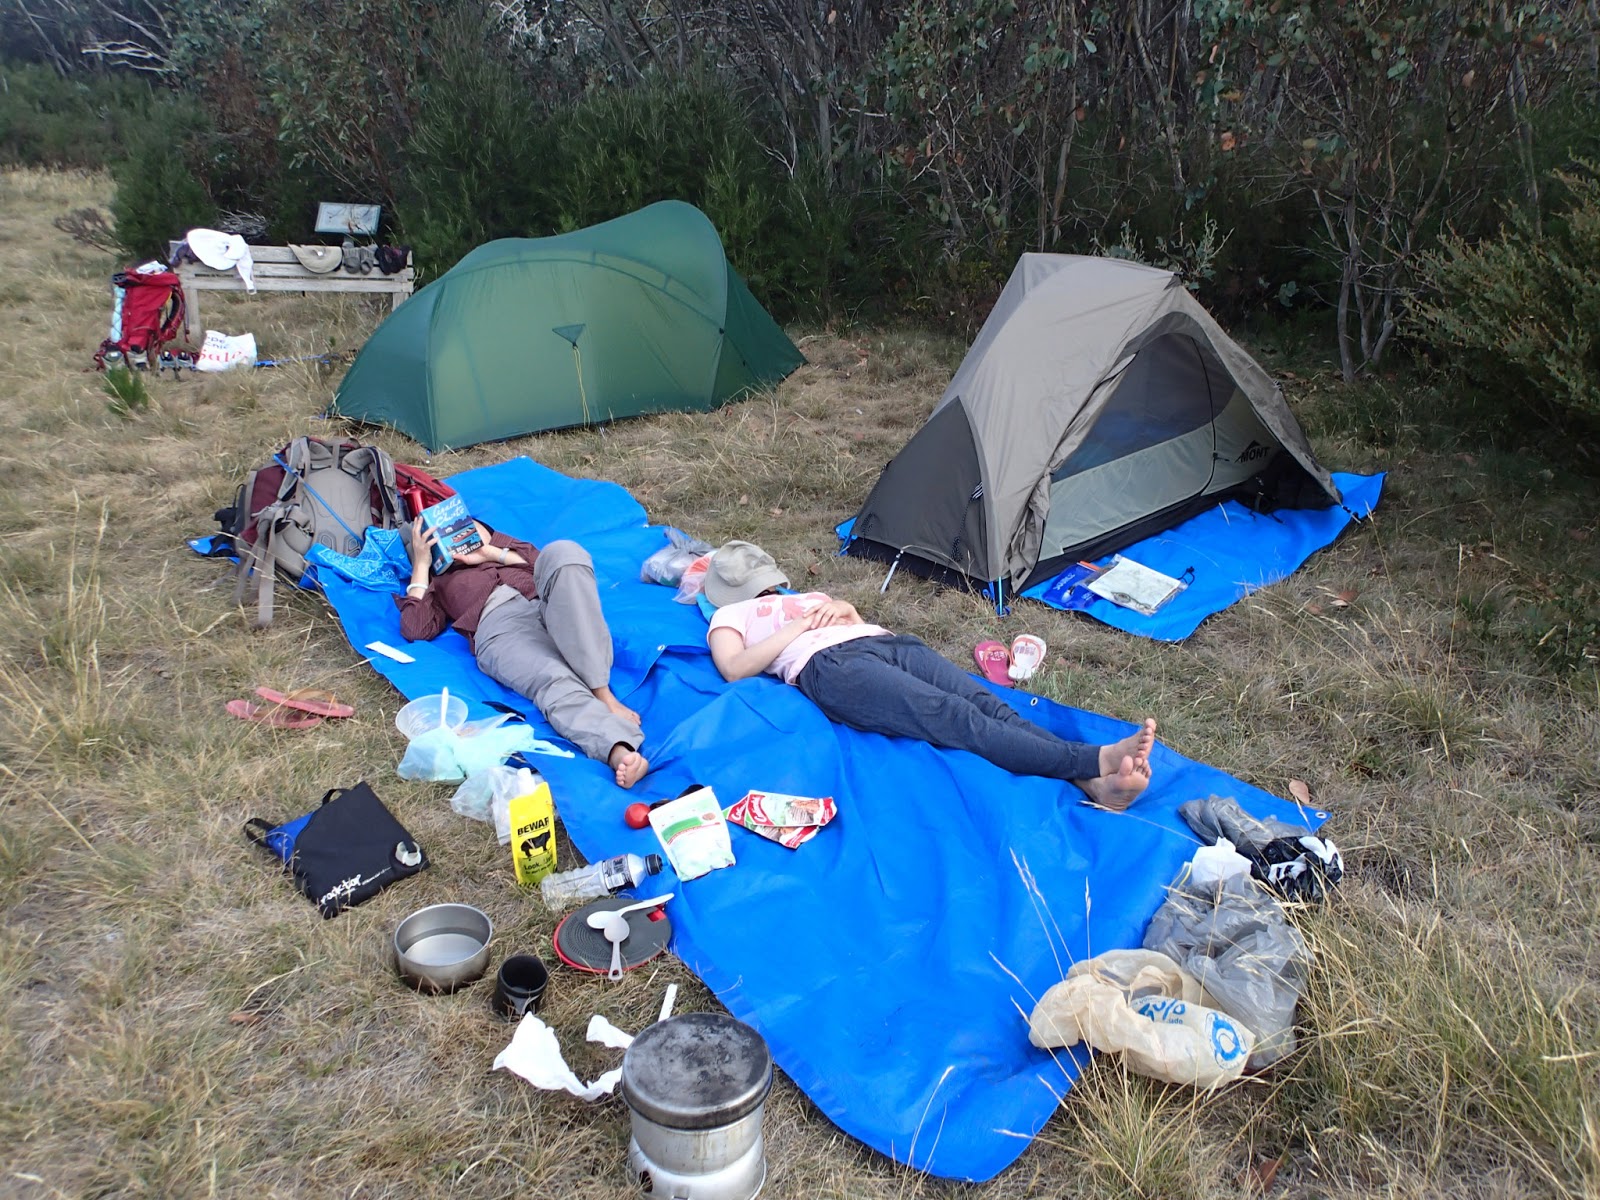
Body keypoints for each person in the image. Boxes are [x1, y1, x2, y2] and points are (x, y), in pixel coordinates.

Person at [703, 541, 1156, 810]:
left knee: (987, 704)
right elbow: (734, 669)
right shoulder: (729, 615)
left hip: (886, 643)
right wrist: (798, 627)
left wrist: (846, 609)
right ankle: (1094, 760)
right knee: (955, 716)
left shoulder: (804, 595)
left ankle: (1091, 782)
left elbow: (855, 622)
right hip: (832, 666)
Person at [397, 516, 649, 788]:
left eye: (462, 526)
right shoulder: (440, 582)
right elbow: (416, 628)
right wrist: (421, 565)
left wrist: (492, 552)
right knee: (552, 677)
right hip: (501, 626)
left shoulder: (506, 550)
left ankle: (601, 691)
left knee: (564, 552)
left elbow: (552, 567)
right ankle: (618, 749)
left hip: (544, 603)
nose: (455, 536)